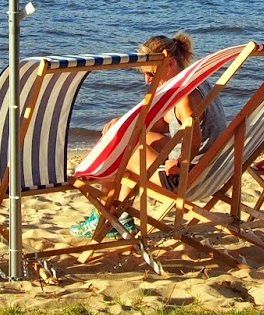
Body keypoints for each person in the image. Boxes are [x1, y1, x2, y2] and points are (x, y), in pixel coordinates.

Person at [69, 32, 227, 238]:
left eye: (150, 74)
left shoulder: (184, 97)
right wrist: (125, 123)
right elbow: (163, 123)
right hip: (211, 171)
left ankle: (105, 216)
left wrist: (180, 162)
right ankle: (119, 214)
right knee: (133, 136)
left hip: (186, 177)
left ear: (169, 63)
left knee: (119, 150)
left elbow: (193, 138)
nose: (146, 81)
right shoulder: (197, 82)